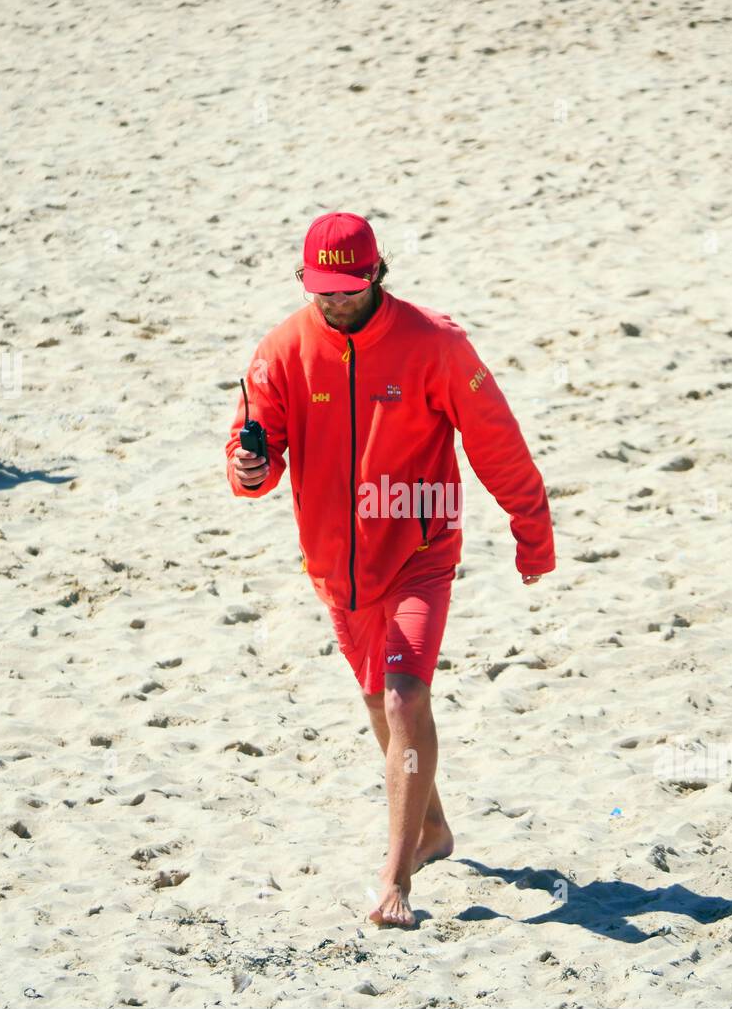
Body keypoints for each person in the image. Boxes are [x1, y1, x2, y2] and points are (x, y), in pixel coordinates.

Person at [225, 211, 556, 927]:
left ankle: (395, 878)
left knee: (405, 696)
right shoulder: (280, 351)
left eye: (347, 287)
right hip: (335, 565)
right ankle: (432, 828)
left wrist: (533, 531)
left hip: (419, 549)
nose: (333, 300)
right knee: (381, 703)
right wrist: (249, 468)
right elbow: (253, 465)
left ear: (378, 274)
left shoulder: (433, 345)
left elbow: (495, 440)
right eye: (321, 289)